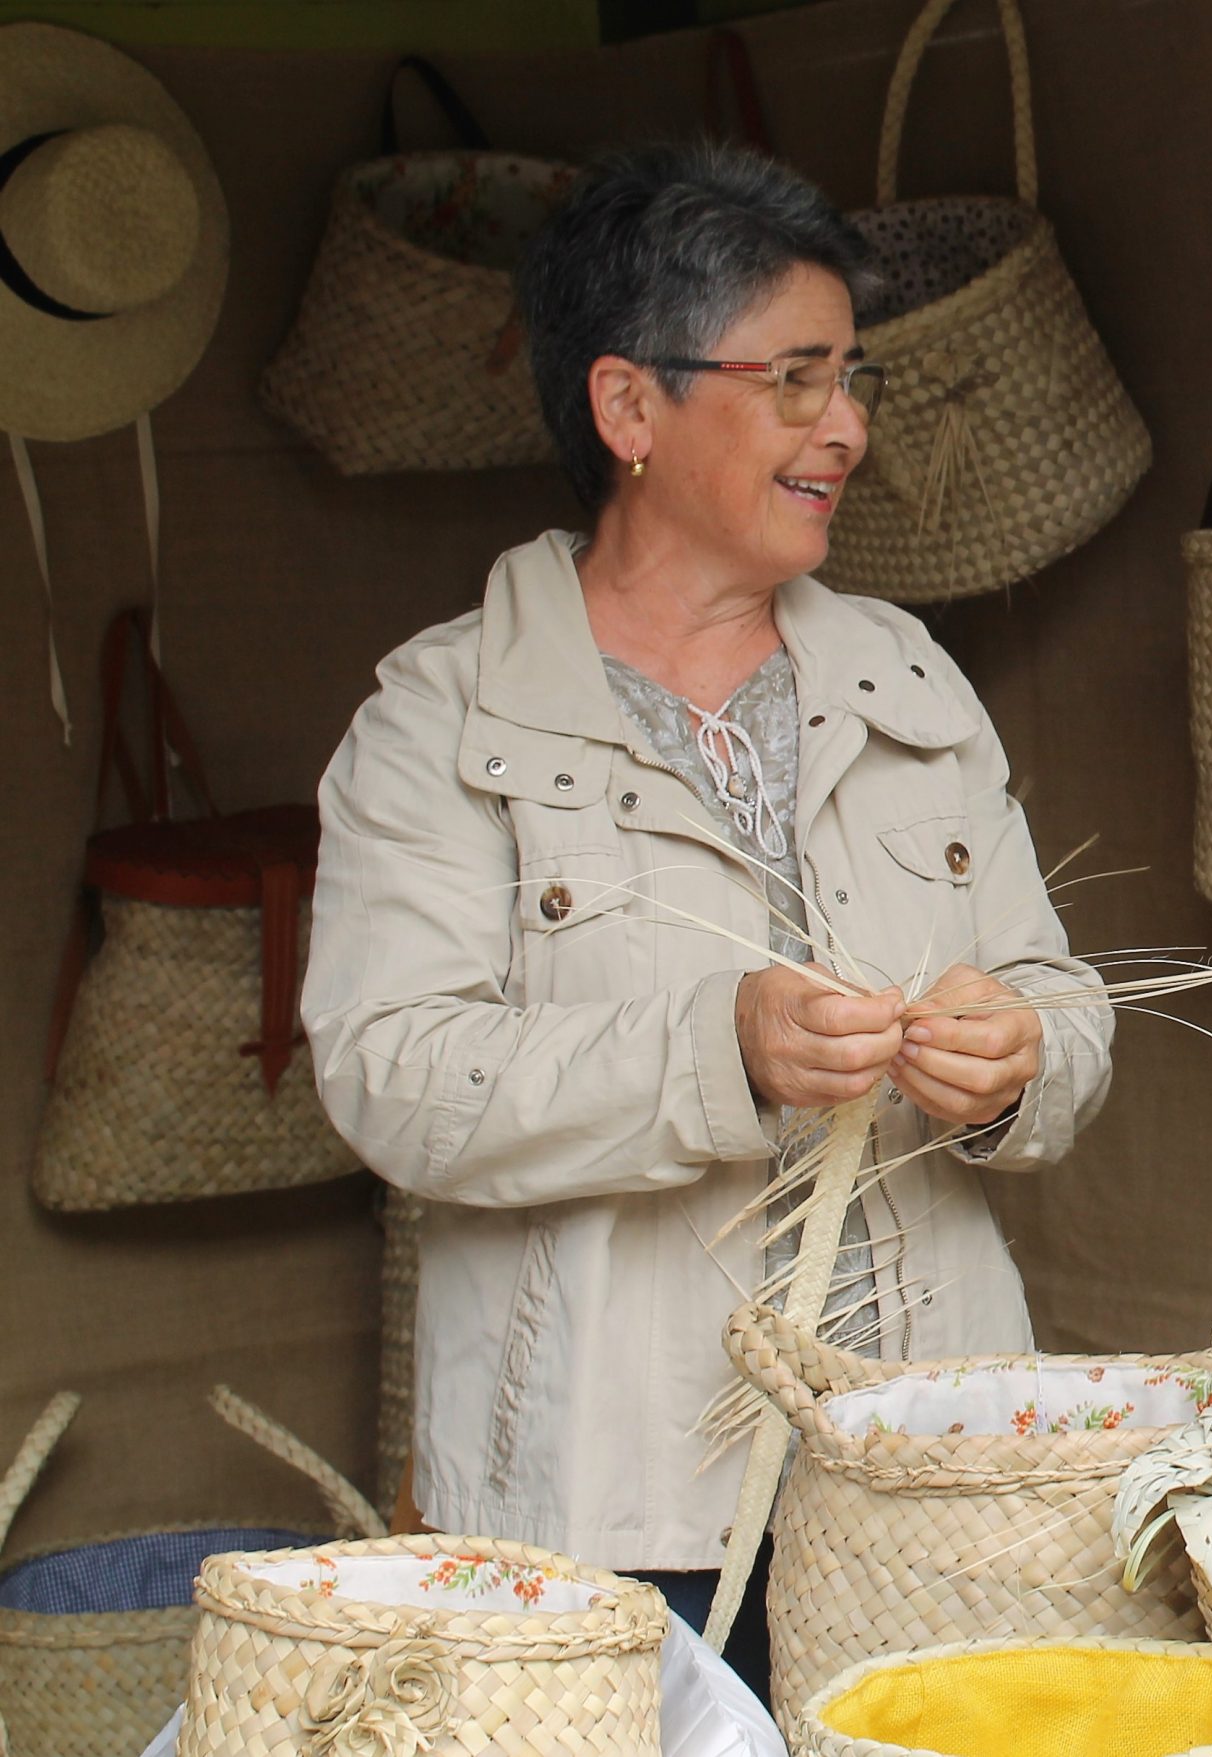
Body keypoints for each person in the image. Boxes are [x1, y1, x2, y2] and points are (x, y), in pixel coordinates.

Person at [302, 142, 1113, 1695]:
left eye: (849, 378)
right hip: (615, 1500)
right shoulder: (443, 716)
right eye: (798, 382)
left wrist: (1019, 1060)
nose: (850, 428)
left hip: (927, 1466)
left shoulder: (903, 676)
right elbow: (391, 1074)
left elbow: (1061, 1004)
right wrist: (716, 1056)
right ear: (631, 410)